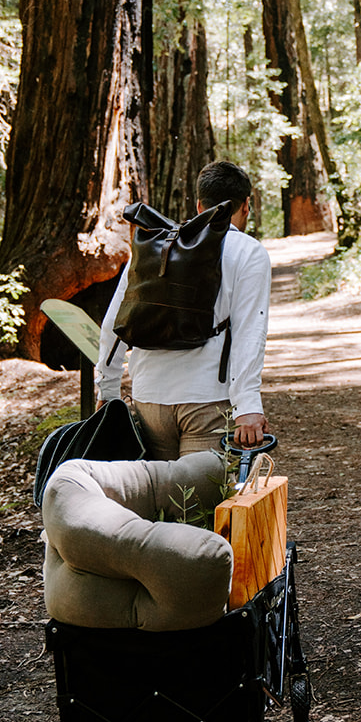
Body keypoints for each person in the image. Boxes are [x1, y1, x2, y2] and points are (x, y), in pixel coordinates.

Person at [96, 161, 272, 503]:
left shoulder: (154, 244)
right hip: (206, 401)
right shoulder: (248, 252)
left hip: (149, 398)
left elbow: (114, 321)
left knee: (156, 510)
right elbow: (250, 332)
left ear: (198, 205)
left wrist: (108, 389)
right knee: (199, 511)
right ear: (246, 205)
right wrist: (247, 406)